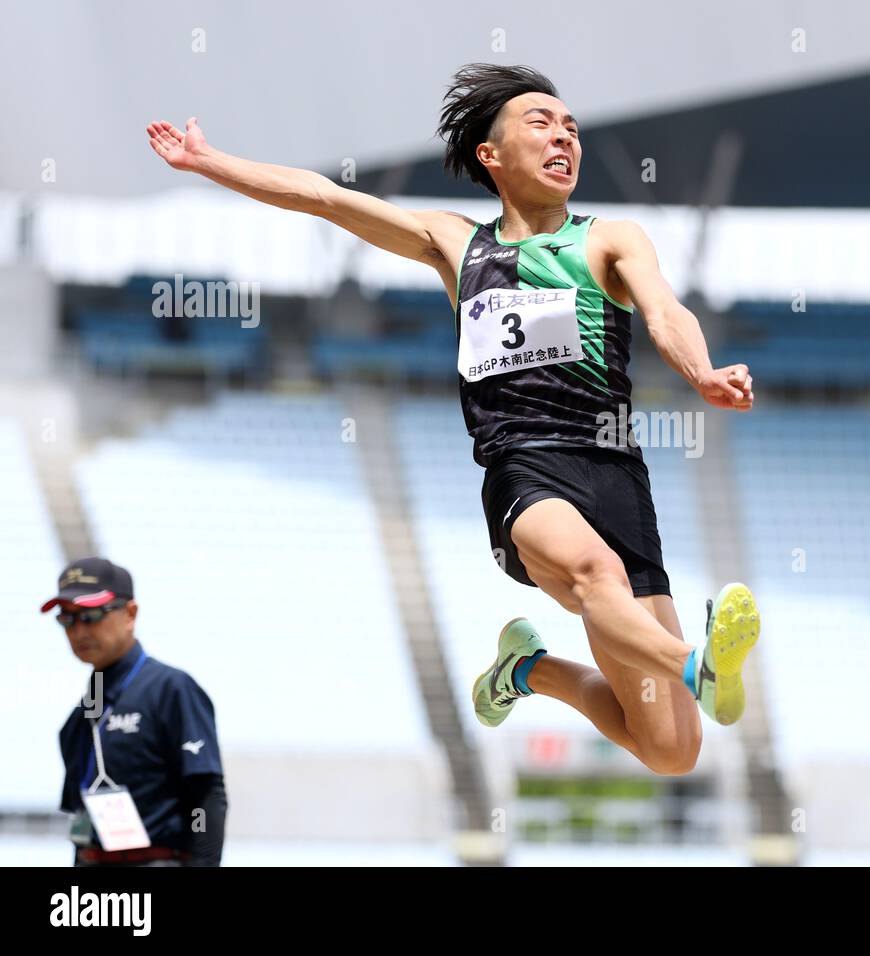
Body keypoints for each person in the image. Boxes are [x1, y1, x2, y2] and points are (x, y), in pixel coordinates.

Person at [144, 62, 760, 776]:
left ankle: (529, 671)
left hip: (616, 471)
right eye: (541, 123)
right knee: (595, 574)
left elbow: (665, 310)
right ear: (490, 157)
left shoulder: (610, 240)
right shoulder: (457, 244)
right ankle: (699, 666)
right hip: (524, 466)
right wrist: (209, 161)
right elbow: (325, 199)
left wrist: (702, 372)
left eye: (571, 129)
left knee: (671, 750)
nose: (563, 137)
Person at [43, 558, 227, 866]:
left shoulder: (171, 690)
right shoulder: (78, 720)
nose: (78, 630)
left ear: (130, 613)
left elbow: (205, 800)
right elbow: (80, 818)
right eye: (67, 619)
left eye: (91, 614)